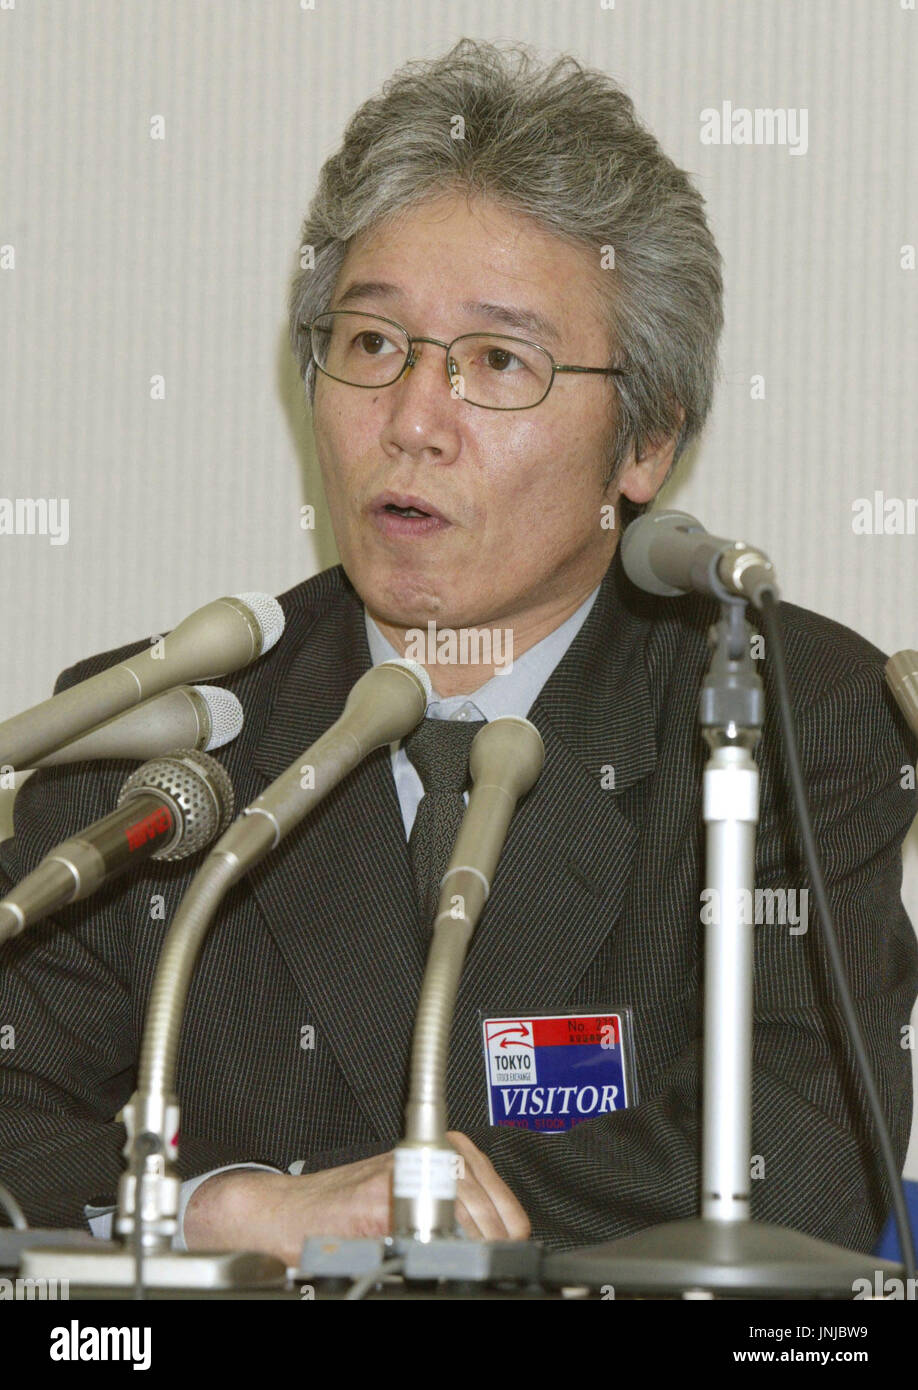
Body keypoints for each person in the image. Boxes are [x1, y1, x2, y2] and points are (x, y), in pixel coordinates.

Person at [1, 39, 915, 1271]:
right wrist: (222, 1213)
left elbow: (804, 1159)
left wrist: (403, 1227)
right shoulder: (170, 729)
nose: (413, 423)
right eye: (372, 344)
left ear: (645, 442)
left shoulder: (785, 714)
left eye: (498, 362)